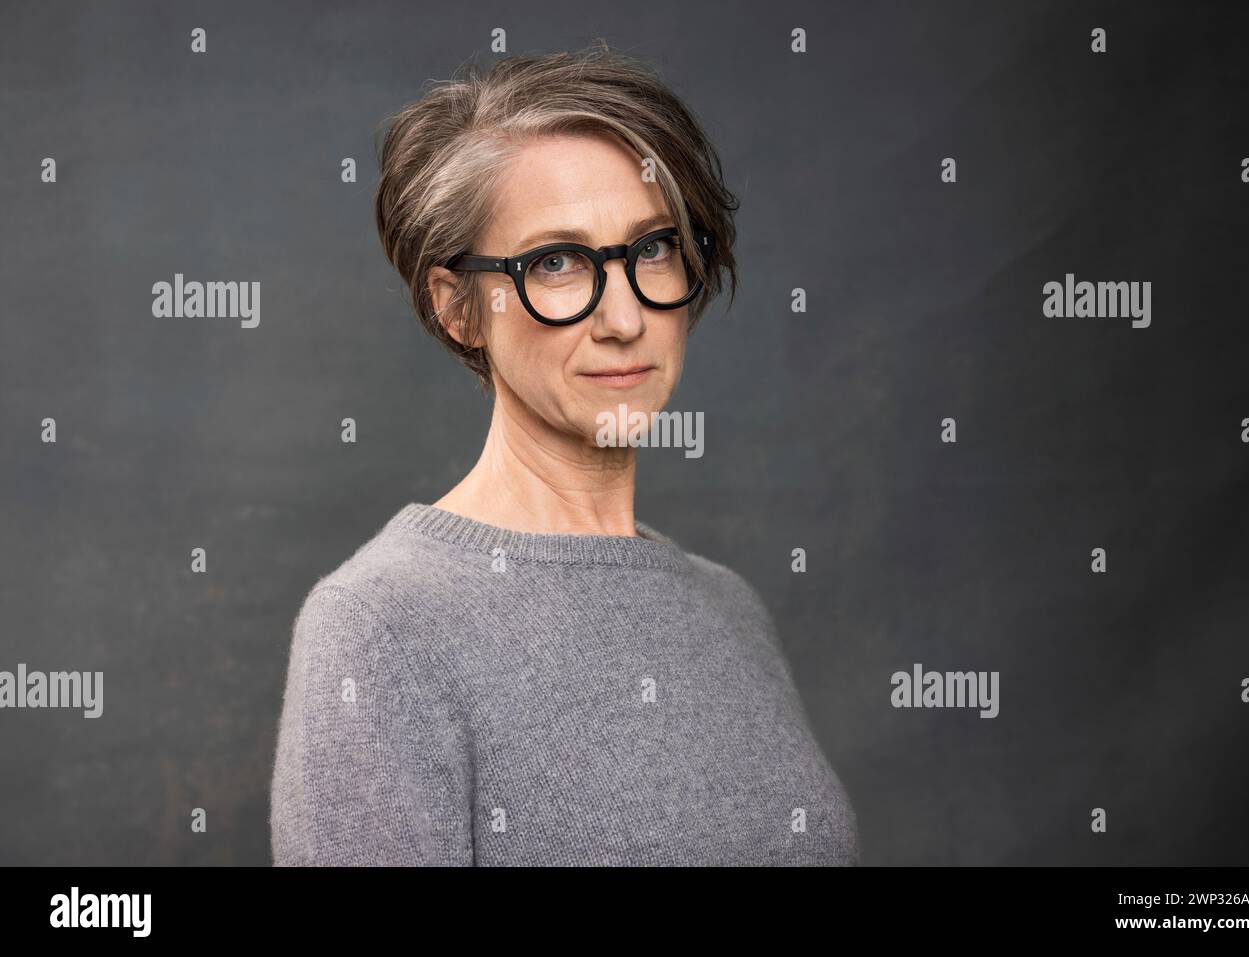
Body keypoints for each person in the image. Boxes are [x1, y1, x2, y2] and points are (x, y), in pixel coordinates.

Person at [270, 41, 859, 866]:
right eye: (555, 261)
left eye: (652, 247)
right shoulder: (381, 628)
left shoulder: (730, 608)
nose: (623, 316)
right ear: (460, 310)